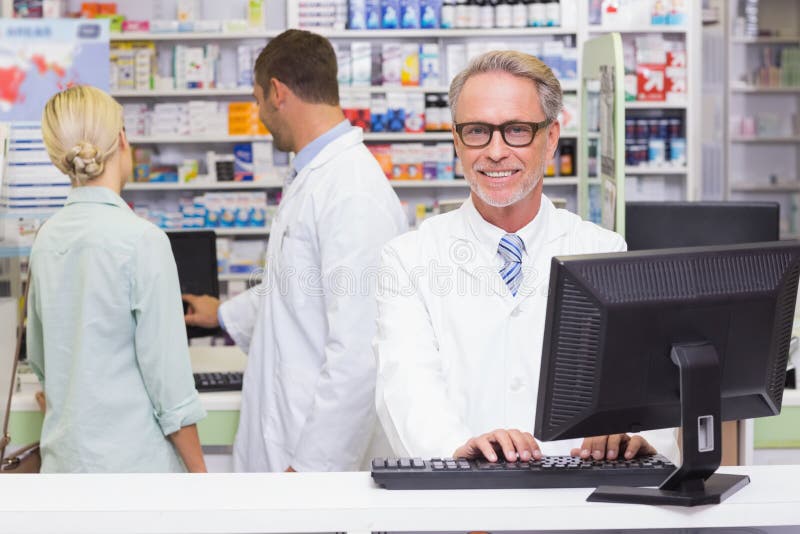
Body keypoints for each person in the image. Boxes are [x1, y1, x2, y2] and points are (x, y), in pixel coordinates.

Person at [374, 50, 678, 464]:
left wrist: (636, 437)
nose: (495, 151)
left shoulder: (602, 251)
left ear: (551, 138)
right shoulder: (408, 259)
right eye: (478, 131)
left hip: (579, 504)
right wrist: (454, 448)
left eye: (516, 130)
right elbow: (405, 382)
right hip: (461, 498)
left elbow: (645, 388)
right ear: (456, 141)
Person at [182, 29, 408, 472]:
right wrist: (223, 314)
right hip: (288, 435)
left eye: (258, 99)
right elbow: (300, 286)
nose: (260, 114)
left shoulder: (352, 191)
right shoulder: (315, 176)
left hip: (310, 454)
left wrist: (311, 469)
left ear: (277, 92)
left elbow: (361, 350)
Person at [27, 85, 207, 473]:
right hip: (134, 476)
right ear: (122, 140)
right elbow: (171, 392)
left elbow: (42, 362)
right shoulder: (143, 241)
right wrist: (203, 479)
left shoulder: (46, 239)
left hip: (64, 472)